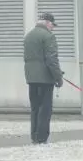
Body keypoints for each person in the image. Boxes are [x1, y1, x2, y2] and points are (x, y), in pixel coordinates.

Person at [23, 12, 63, 144]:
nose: (53, 28)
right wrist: (58, 77)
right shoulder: (48, 36)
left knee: (35, 108)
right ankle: (42, 137)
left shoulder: (28, 36)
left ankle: (34, 135)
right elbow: (51, 59)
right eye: (52, 25)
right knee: (45, 109)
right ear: (47, 23)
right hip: (45, 79)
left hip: (31, 78)